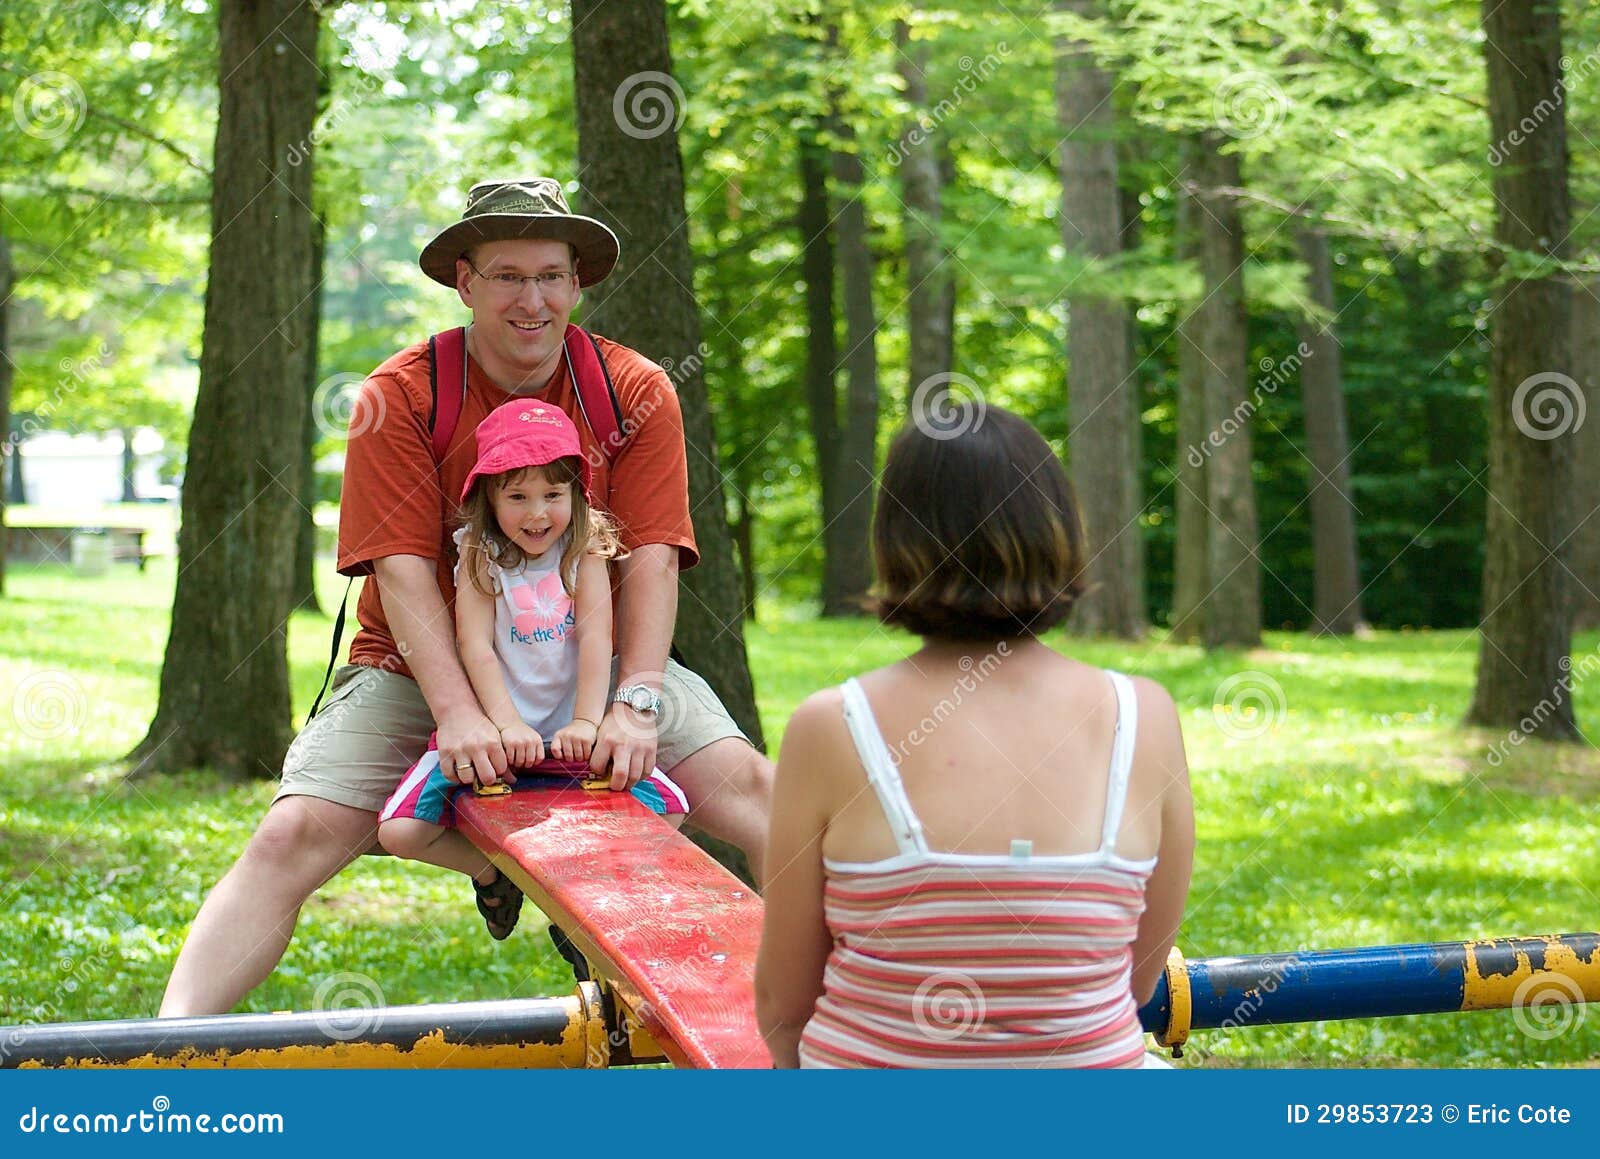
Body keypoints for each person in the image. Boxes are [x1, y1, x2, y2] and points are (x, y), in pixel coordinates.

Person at [159, 177, 773, 1017]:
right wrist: (457, 713)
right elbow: (403, 572)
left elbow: (653, 558)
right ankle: (163, 1051)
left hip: (588, 663)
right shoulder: (402, 394)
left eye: (550, 275)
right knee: (290, 835)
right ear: (465, 282)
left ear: (578, 283)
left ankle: (822, 1035)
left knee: (764, 797)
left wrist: (636, 701)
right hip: (423, 666)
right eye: (508, 276)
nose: (532, 300)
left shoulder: (632, 390)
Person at [755, 405, 1194, 1068]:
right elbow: (1132, 983)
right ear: (1058, 532)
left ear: (895, 541)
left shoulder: (832, 725)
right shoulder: (1145, 715)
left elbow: (785, 1005)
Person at [376, 399, 689, 940]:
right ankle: (498, 873)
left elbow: (597, 638)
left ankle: (583, 894)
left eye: (553, 495)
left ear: (575, 494)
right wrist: (504, 724)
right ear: (489, 498)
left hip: (572, 739)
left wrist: (587, 721)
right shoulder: (479, 552)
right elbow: (475, 646)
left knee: (670, 808)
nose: (537, 513)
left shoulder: (584, 551)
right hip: (499, 742)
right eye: (517, 496)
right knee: (401, 831)